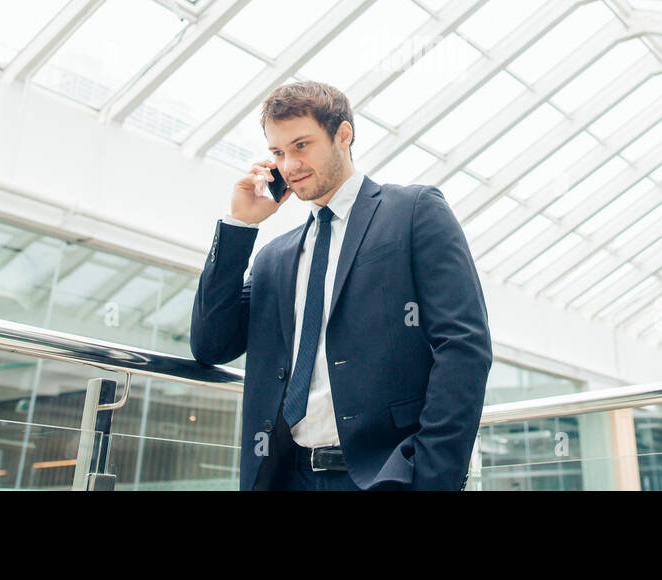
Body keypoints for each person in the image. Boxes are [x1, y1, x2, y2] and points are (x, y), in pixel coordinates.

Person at [190, 80, 492, 490]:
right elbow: (211, 345)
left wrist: (432, 476)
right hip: (285, 476)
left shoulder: (413, 212)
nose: (289, 165)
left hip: (387, 475)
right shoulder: (274, 258)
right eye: (278, 153)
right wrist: (239, 226)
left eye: (301, 145)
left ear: (343, 135)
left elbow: (463, 346)